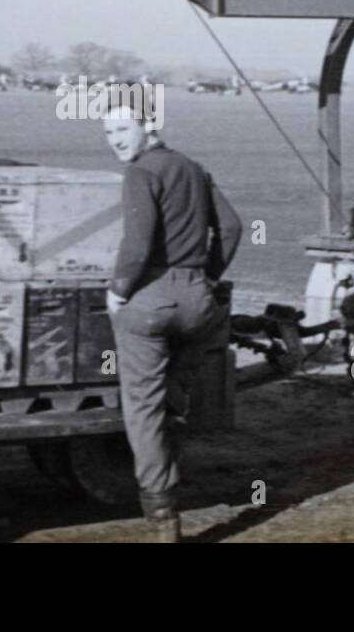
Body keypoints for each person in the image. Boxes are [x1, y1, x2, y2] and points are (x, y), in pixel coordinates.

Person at [102, 102, 243, 542]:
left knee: (143, 410)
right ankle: (171, 475)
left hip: (150, 301)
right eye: (109, 132)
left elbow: (138, 242)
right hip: (197, 302)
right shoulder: (194, 168)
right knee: (172, 400)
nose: (116, 139)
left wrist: (119, 289)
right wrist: (205, 277)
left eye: (124, 128)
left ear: (150, 127)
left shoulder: (141, 172)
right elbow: (233, 227)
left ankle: (164, 522)